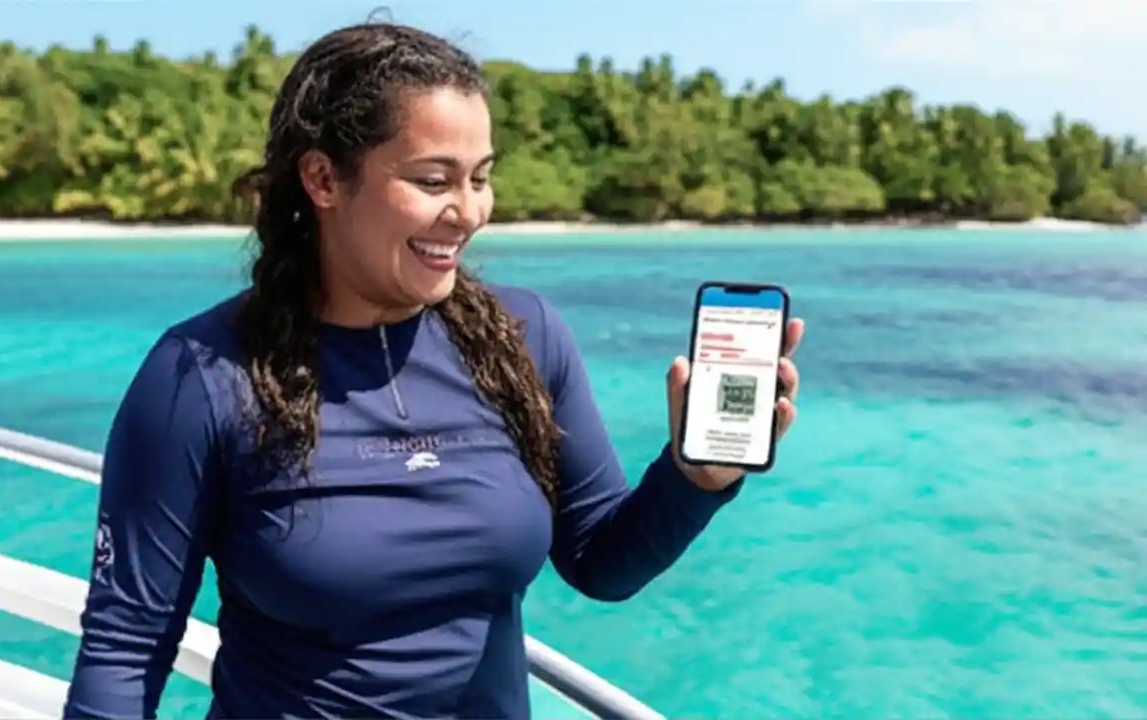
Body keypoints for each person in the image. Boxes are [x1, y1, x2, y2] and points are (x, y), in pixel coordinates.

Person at [62, 20, 805, 720]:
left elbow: (601, 563)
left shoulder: (522, 339)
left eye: (480, 177)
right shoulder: (203, 374)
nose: (469, 211)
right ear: (322, 178)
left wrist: (697, 476)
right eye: (433, 180)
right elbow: (125, 648)